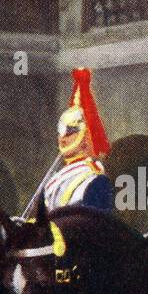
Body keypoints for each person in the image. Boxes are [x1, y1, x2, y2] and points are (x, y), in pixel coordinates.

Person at [42, 68, 114, 212]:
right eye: (60, 131)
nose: (62, 137)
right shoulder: (55, 180)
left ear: (85, 135)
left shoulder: (94, 181)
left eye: (70, 131)